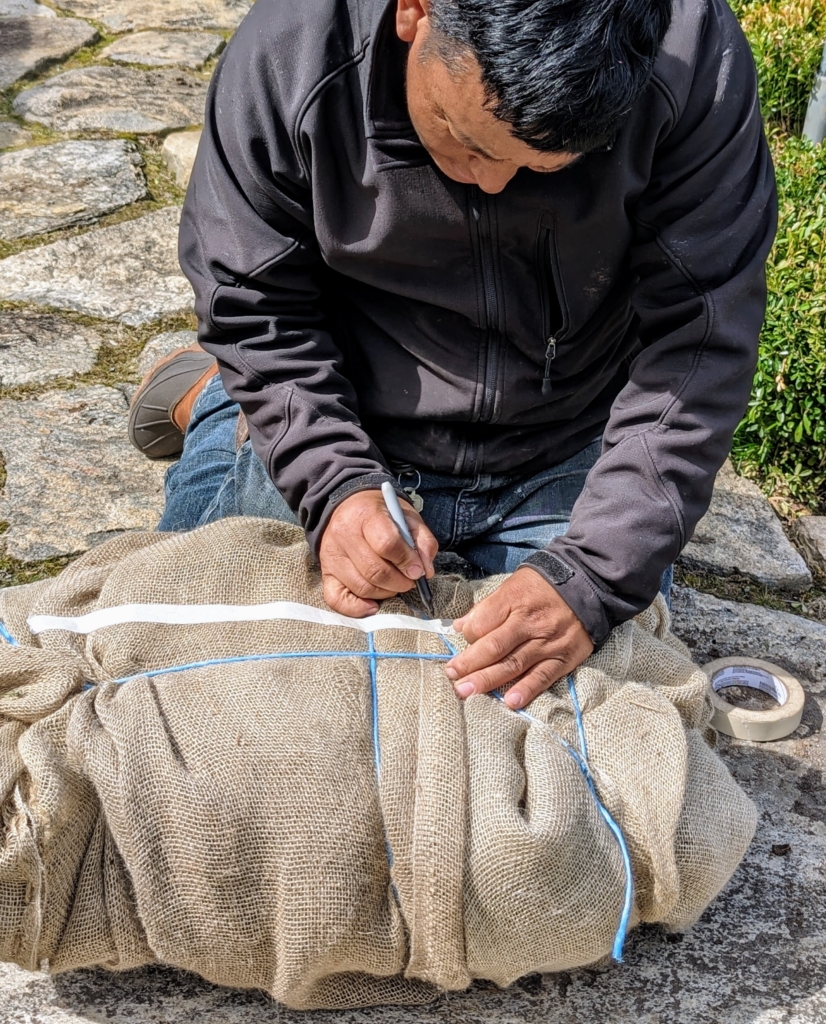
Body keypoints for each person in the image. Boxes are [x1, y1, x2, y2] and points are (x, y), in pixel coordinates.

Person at [129, 0, 777, 709]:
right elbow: (253, 302)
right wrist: (333, 484)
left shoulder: (688, 52)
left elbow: (701, 341)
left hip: (565, 431)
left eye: (542, 168)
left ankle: (223, 398)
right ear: (414, 11)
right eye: (465, 140)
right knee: (190, 680)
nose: (493, 182)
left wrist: (593, 576)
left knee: (578, 712)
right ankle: (224, 396)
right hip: (351, 402)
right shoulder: (294, 44)